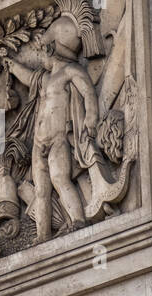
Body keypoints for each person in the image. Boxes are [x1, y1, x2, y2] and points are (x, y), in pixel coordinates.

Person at [6, 19, 100, 243]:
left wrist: (91, 119)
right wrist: (12, 66)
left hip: (59, 139)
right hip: (39, 142)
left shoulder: (70, 71)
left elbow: (88, 93)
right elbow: (28, 78)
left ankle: (78, 219)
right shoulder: (43, 78)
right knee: (41, 189)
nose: (39, 57)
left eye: (41, 51)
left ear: (50, 49)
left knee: (60, 178)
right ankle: (43, 234)